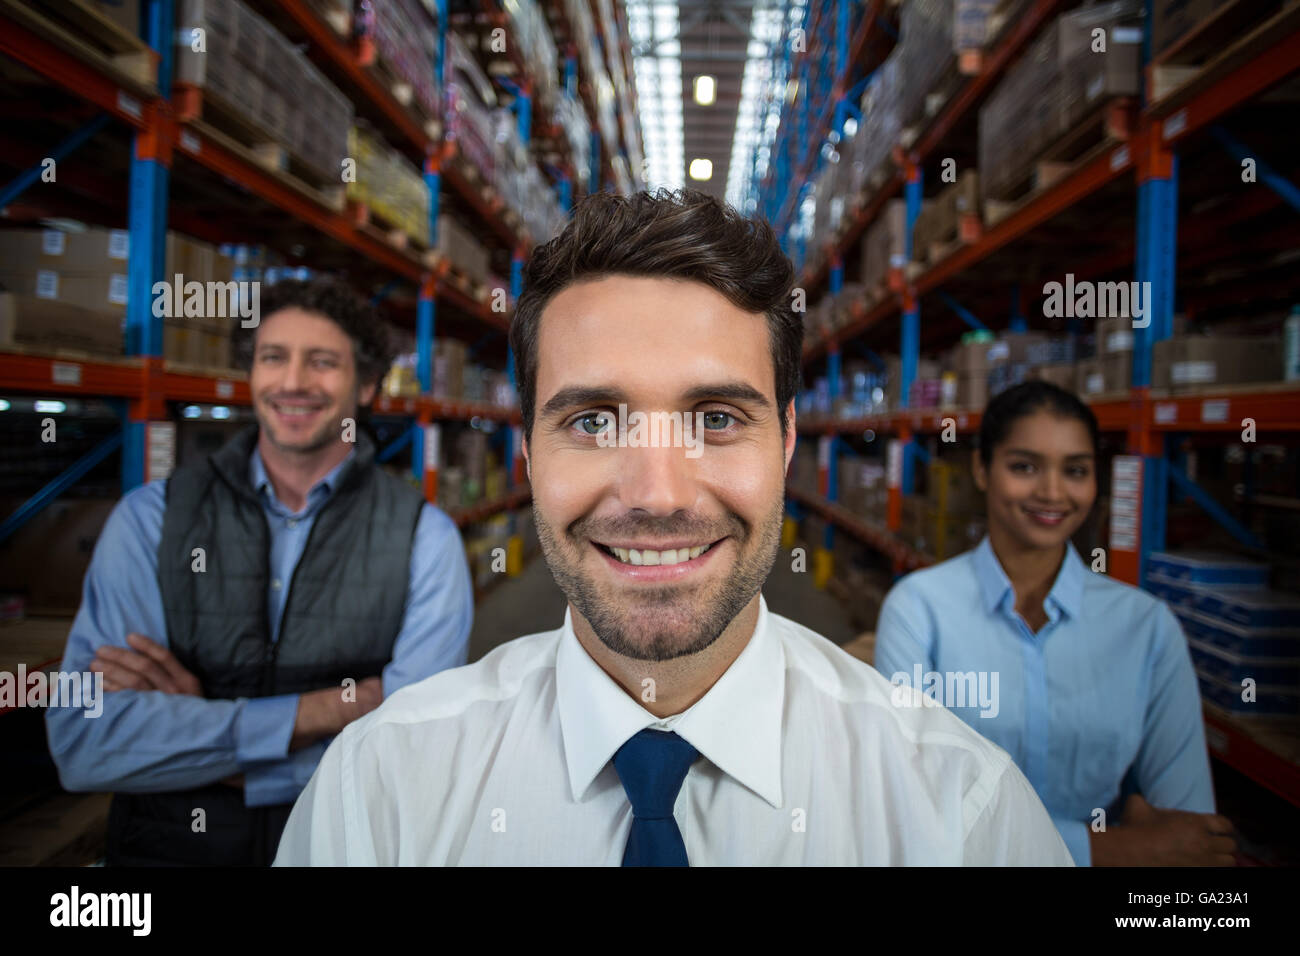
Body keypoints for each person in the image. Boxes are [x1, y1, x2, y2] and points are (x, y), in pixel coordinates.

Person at [274, 189, 1072, 866]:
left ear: (788, 443)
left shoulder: (965, 818)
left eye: (717, 418)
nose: (656, 494)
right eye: (591, 422)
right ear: (526, 454)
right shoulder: (376, 798)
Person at [46, 276, 474, 865]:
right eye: (274, 358)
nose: (293, 382)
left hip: (341, 850)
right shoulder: (152, 521)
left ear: (367, 384)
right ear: (252, 375)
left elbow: (416, 754)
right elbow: (86, 741)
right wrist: (326, 710)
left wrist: (205, 736)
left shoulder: (424, 538)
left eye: (322, 362)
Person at [874, 380, 1237, 866]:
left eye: (1076, 471)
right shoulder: (919, 610)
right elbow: (905, 809)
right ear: (982, 469)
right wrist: (1121, 848)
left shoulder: (1146, 628)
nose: (1051, 492)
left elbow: (1194, 838)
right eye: (1024, 466)